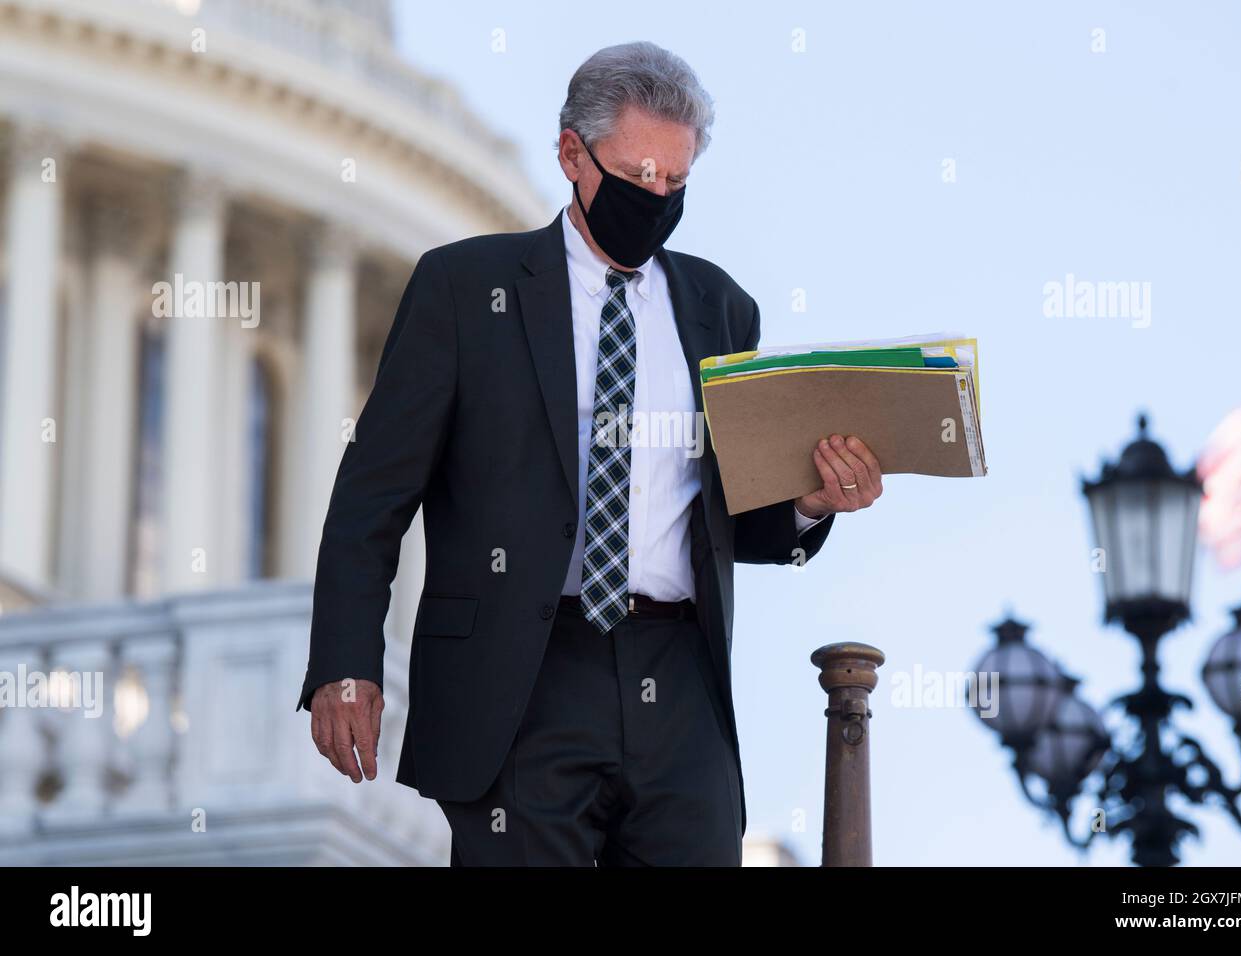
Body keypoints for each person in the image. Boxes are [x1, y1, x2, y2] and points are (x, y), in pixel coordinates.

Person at [297, 41, 883, 866]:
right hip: (523, 675)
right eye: (639, 176)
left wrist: (811, 503)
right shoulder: (466, 291)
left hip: (680, 679)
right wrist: (345, 663)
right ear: (573, 154)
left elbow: (734, 518)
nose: (657, 198)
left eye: (675, 184)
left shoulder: (722, 310)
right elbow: (373, 495)